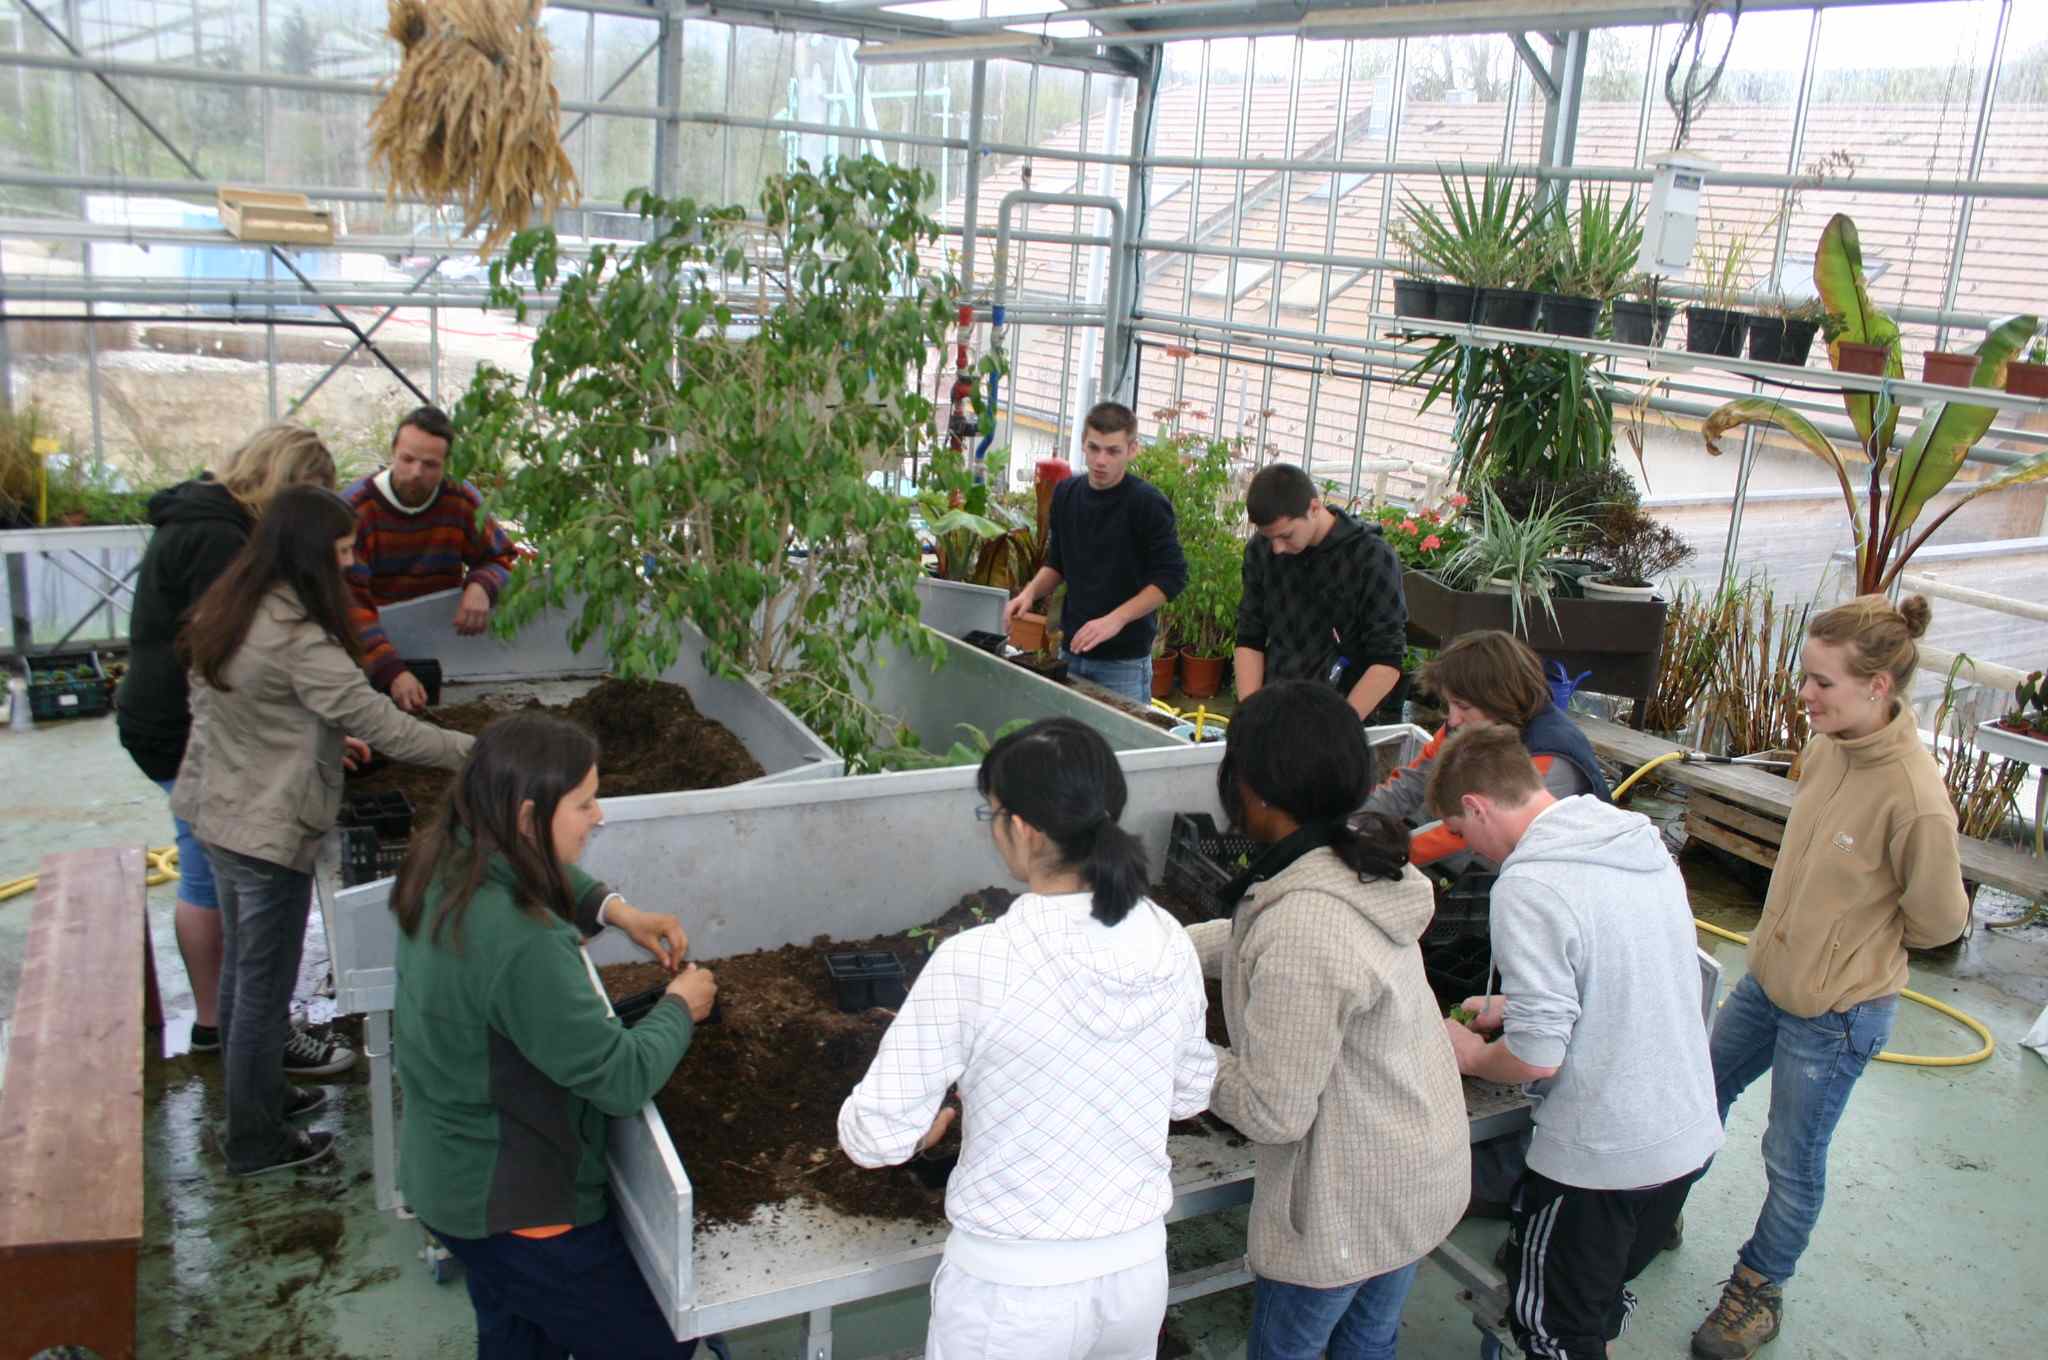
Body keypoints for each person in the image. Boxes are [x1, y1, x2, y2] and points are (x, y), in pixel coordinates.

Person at [839, 717, 1213, 1360]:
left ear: (1023, 828)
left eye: (991, 812)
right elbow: (1188, 1093)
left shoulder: (976, 961)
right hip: (1135, 1276)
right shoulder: (1169, 938)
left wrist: (934, 1125)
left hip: (1011, 1295)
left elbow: (874, 1136)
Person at [1690, 594, 1966, 1360]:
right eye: (1804, 678)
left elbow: (1941, 923)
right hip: (1768, 980)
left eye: (1823, 683)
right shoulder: (1831, 745)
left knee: (1791, 1155)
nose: (1805, 696)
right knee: (1696, 1093)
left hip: (1835, 1012)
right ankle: (1650, 1209)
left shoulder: (1917, 801)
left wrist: (1854, 952)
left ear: (1879, 687)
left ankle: (1759, 1288)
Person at [393, 713, 718, 1358]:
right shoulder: (524, 941)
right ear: (526, 816)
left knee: (517, 1330)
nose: (599, 815)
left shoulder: (446, 858)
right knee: (652, 1345)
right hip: (520, 1205)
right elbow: (620, 1079)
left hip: (446, 1176)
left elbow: (542, 874)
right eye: (584, 803)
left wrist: (618, 911)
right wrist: (681, 1005)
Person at [174, 485, 475, 1176]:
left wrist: (313, 739)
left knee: (246, 980)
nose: (350, 566)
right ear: (310, 555)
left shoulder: (231, 605)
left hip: (217, 808)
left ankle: (265, 1099)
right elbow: (382, 722)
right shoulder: (297, 639)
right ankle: (255, 1140)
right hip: (264, 830)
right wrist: (472, 750)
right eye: (341, 553)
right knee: (262, 991)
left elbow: (233, 709)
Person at [1182, 680, 1467, 1360]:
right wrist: (1163, 951)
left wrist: (1174, 1050)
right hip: (1415, 1166)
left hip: (1349, 1199)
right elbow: (1258, 933)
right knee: (1367, 1341)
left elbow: (1273, 1111)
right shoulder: (1351, 858)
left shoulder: (1305, 924)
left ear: (1252, 787)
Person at [1431, 722, 1721, 1360]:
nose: (1468, 848)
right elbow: (1627, 967)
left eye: (1460, 829)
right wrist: (1517, 1005)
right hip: (1685, 1136)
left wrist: (1471, 1053)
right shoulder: (1635, 840)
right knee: (1595, 1300)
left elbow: (1537, 1056)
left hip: (1601, 1161)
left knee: (1554, 1331)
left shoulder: (1528, 885)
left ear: (1477, 806)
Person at [115, 423, 357, 1075]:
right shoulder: (219, 537)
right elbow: (239, 661)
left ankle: (226, 1029)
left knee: (210, 872)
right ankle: (238, 1033)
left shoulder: (208, 515)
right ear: (282, 481)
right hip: (179, 729)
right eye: (310, 494)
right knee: (219, 879)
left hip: (164, 718)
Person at [1363, 630, 1610, 870]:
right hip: (1475, 839)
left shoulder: (1551, 755)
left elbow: (1473, 833)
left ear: (1500, 699)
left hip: (1545, 866)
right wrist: (1350, 822)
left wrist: (1390, 854)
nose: (1452, 719)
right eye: (1449, 704)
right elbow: (1410, 783)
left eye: (1462, 706)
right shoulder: (1464, 723)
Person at [1001, 402, 1187, 707]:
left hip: (1123, 661)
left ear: (1132, 450)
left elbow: (1172, 578)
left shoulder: (1147, 504)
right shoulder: (1066, 494)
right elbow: (1057, 563)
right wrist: (1029, 594)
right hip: (1071, 651)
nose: (1101, 460)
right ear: (1083, 446)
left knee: (1123, 748)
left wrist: (1115, 620)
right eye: (1094, 448)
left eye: (1113, 451)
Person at [346, 404, 520, 712]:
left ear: (445, 464)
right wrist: (392, 670)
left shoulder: (460, 500)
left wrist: (481, 585)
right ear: (392, 453)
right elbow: (350, 605)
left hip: (443, 645)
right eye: (407, 460)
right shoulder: (358, 509)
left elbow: (501, 556)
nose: (416, 473)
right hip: (371, 648)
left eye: (430, 464)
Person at [1234, 464, 1407, 723]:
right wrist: (1250, 713)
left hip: (1344, 714)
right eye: (1269, 538)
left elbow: (1387, 660)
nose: (1277, 548)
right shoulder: (1261, 550)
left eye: (1286, 535)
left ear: (1314, 508)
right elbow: (1250, 637)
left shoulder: (1370, 557)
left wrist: (1338, 727)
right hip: (1276, 706)